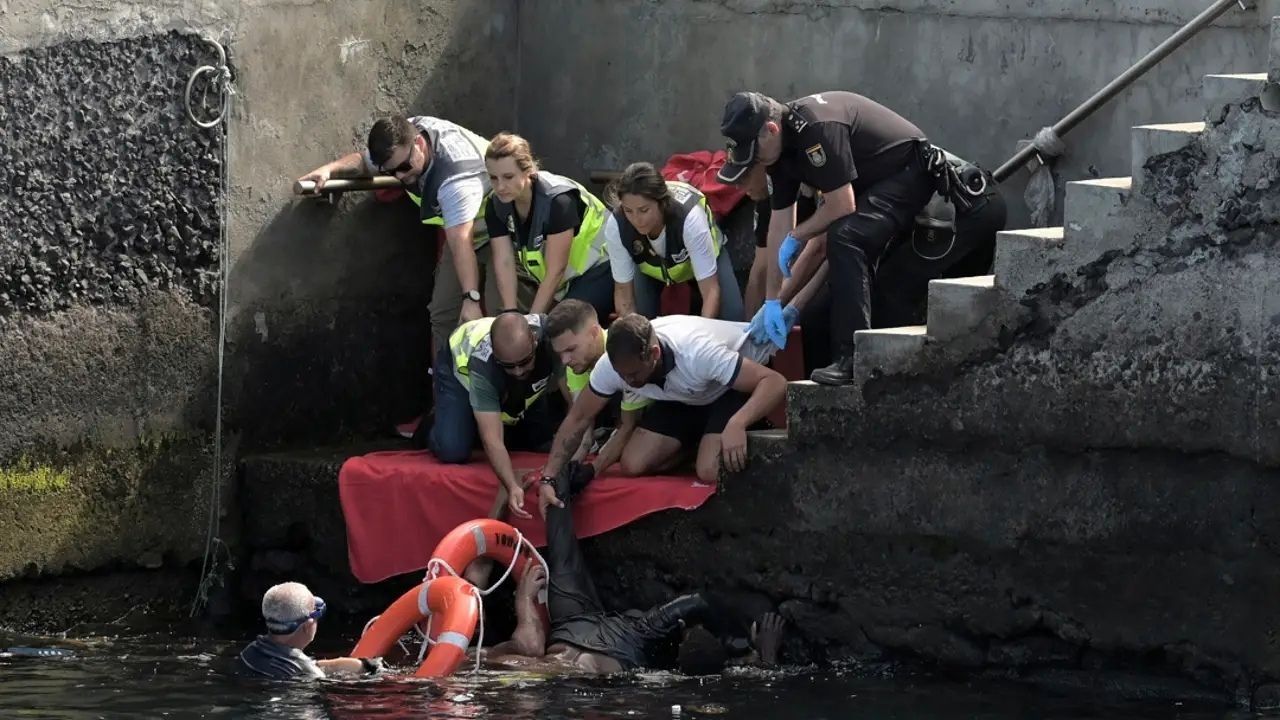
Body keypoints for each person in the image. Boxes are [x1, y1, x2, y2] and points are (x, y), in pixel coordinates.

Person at [717, 91, 936, 385]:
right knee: (834, 252)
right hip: (870, 185)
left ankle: (853, 358)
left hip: (909, 170)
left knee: (845, 236)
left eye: (754, 153)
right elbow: (779, 226)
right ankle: (842, 360)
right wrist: (772, 302)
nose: (756, 163)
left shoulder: (815, 130)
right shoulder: (778, 154)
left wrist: (797, 235)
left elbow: (842, 205)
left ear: (771, 130)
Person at [523, 309, 800, 508]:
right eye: (622, 377)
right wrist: (549, 476)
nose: (628, 382)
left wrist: (739, 422)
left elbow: (774, 382)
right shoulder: (615, 367)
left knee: (708, 469)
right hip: (686, 396)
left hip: (729, 388)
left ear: (653, 355)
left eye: (633, 376)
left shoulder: (697, 353)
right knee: (632, 464)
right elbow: (578, 418)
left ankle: (741, 432)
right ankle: (698, 443)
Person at [486, 471, 723, 675]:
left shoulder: (643, 633)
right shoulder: (643, 635)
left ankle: (566, 478)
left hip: (580, 633)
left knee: (562, 550)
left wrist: (524, 600)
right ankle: (564, 479)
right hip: (587, 637)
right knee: (562, 554)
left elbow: (531, 647)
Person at [298, 114, 496, 352]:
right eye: (391, 172)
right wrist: (330, 170)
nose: (400, 177)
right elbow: (364, 161)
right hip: (465, 232)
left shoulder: (454, 183)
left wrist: (471, 299)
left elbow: (461, 242)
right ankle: (451, 383)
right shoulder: (403, 139)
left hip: (502, 230)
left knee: (501, 311)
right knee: (444, 315)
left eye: (404, 168)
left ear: (419, 144)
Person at [420, 312, 562, 513]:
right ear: (496, 355)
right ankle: (436, 425)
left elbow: (576, 401)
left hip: (512, 375)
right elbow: (492, 439)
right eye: (509, 366)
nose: (519, 371)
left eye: (524, 361)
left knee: (540, 441)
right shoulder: (482, 366)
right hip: (457, 366)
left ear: (534, 339)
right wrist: (511, 486)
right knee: (453, 449)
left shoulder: (553, 335)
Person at [484, 133, 613, 320]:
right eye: (493, 178)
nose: (500, 186)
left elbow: (556, 270)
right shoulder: (495, 204)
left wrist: (532, 321)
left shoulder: (558, 201)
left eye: (508, 177)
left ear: (527, 170)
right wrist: (510, 312)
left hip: (601, 267)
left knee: (563, 328)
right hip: (565, 279)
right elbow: (504, 260)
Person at [604, 162, 744, 322]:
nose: (636, 220)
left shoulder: (690, 219)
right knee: (642, 321)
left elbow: (711, 292)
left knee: (733, 316)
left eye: (644, 210)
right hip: (650, 269)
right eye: (628, 211)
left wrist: (700, 338)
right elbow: (624, 294)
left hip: (707, 262)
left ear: (661, 203)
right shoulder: (617, 224)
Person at [544, 299, 650, 480]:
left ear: (594, 333)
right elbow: (582, 428)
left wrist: (592, 471)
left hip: (657, 410)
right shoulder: (576, 365)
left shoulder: (625, 354)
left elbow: (628, 426)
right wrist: (568, 469)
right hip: (623, 416)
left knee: (633, 461)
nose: (565, 360)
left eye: (570, 349)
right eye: (560, 353)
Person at [239, 582, 382, 681]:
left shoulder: (247, 653)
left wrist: (360, 666)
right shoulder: (309, 675)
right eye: (317, 613)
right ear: (307, 626)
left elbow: (292, 664)